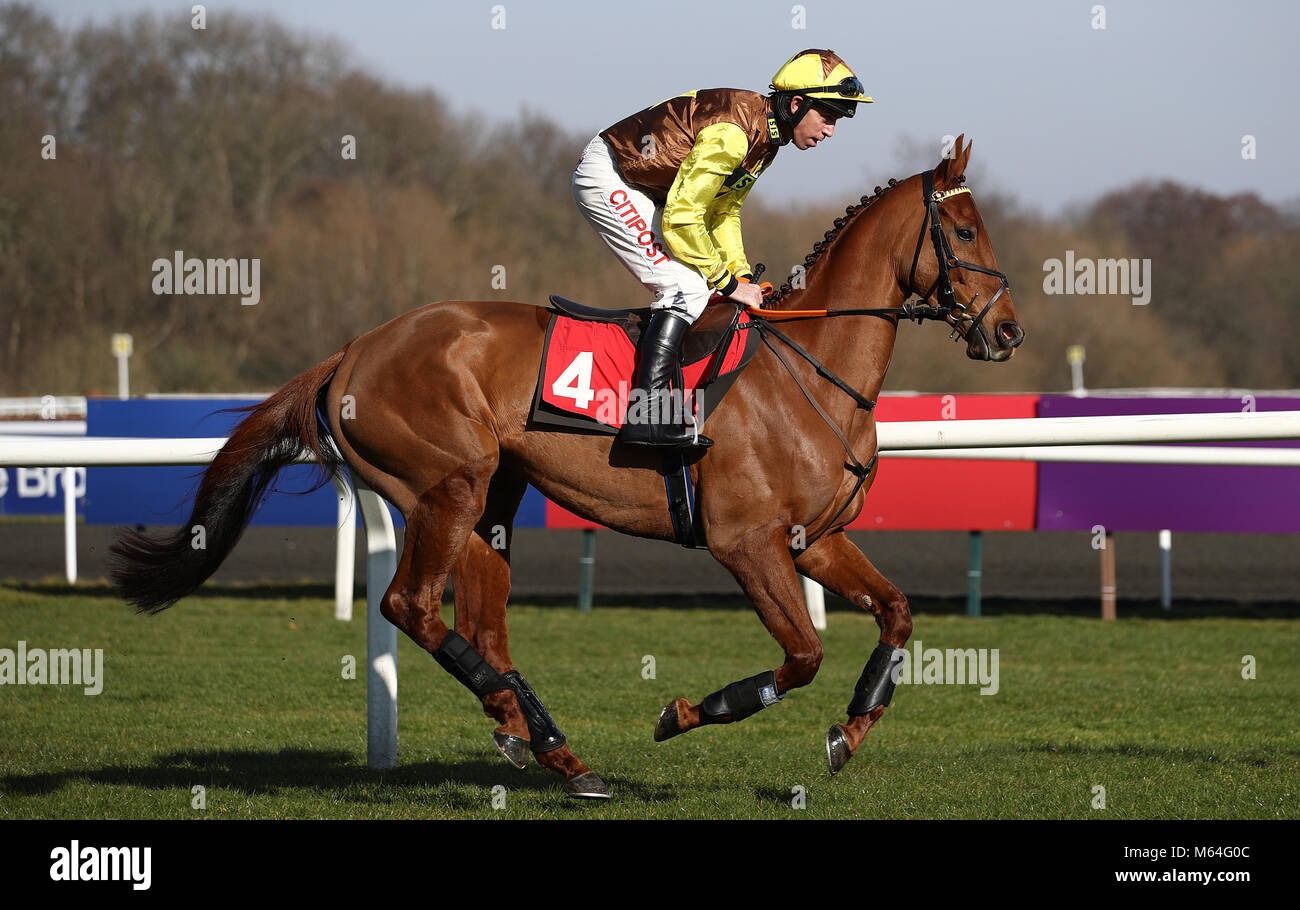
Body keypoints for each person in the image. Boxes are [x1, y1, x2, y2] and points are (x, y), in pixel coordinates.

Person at [572, 48, 871, 449]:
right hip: (612, 177)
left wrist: (743, 275)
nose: (830, 130)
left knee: (703, 281)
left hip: (650, 188)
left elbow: (724, 210)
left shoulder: (766, 140)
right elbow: (682, 218)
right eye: (828, 117)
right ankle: (645, 418)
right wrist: (726, 282)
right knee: (688, 287)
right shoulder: (733, 136)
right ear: (797, 104)